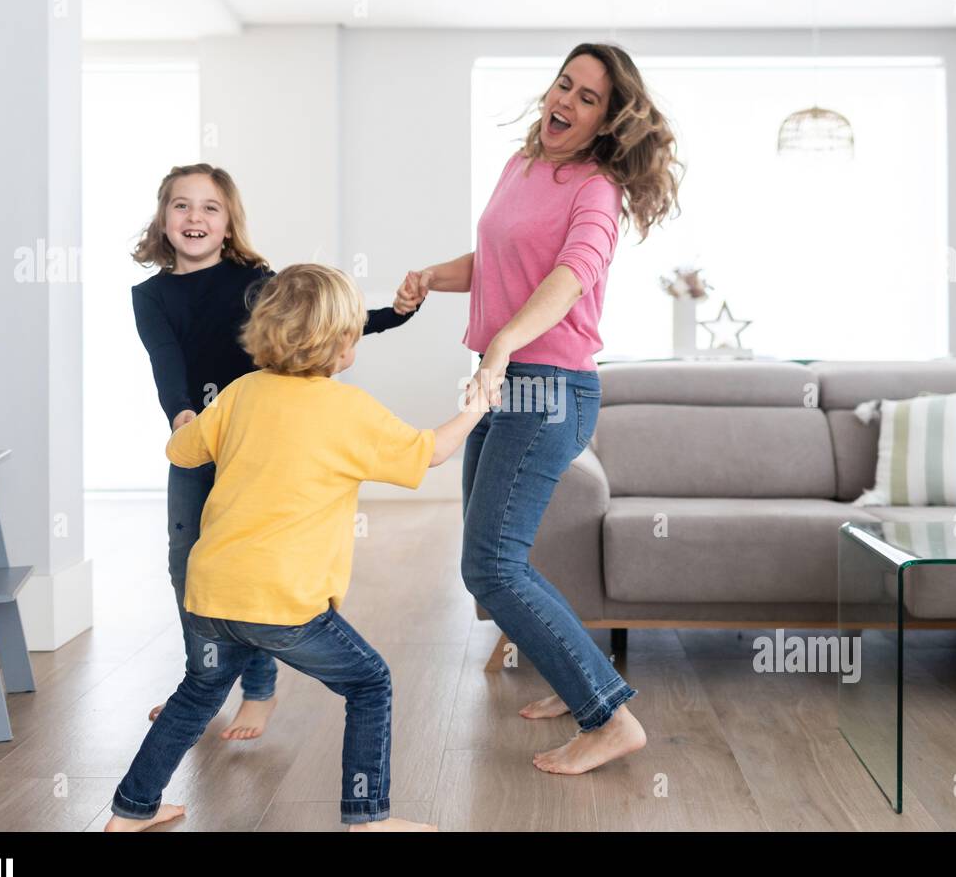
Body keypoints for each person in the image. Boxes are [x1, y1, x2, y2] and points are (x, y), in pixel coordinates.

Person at [107, 263, 490, 832]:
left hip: (212, 597)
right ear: (343, 343)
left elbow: (182, 453)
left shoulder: (239, 394)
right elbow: (429, 452)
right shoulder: (348, 410)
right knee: (368, 682)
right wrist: (477, 406)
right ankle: (368, 818)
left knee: (196, 694)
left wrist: (190, 415)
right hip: (285, 606)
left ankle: (130, 811)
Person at [395, 43, 682, 774]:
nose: (569, 101)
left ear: (608, 122)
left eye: (590, 98)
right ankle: (574, 675)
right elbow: (497, 262)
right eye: (566, 85)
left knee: (490, 566)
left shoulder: (596, 189)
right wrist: (433, 276)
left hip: (548, 390)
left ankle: (608, 718)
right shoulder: (521, 168)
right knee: (496, 559)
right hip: (507, 379)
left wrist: (500, 348)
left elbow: (570, 277)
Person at [131, 163, 422, 740]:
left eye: (210, 207)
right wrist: (184, 416)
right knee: (186, 562)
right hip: (200, 435)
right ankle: (202, 684)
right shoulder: (150, 295)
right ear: (163, 219)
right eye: (181, 206)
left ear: (229, 221)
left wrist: (398, 312)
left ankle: (259, 693)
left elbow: (324, 322)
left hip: (262, 443)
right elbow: (165, 360)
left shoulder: (256, 281)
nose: (195, 217)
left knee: (252, 565)